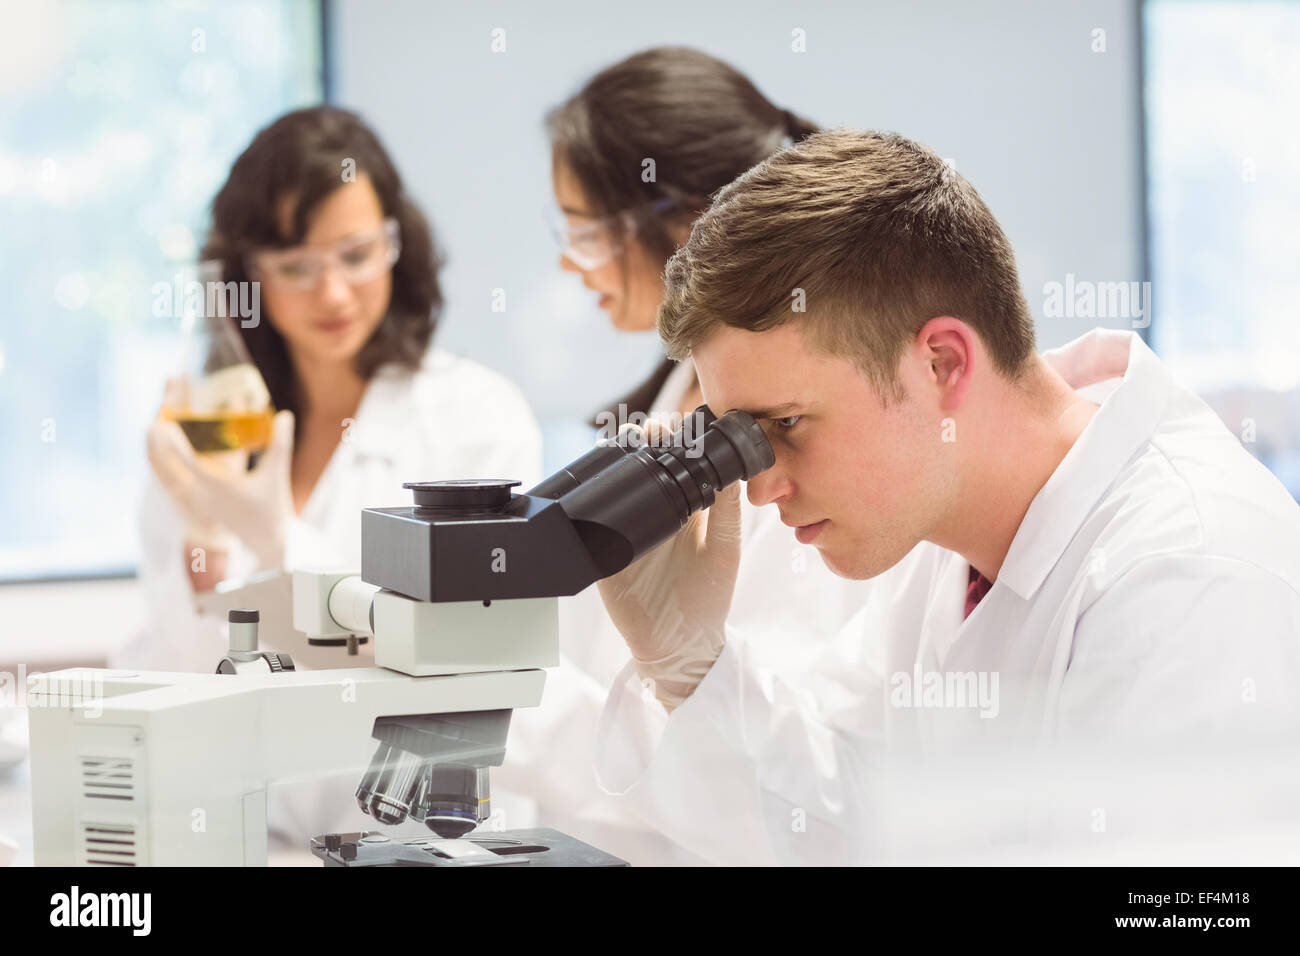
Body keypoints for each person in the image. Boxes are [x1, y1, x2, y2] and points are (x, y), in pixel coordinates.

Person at [589, 129, 1300, 864]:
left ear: (943, 362)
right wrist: (687, 663)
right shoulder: (941, 537)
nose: (764, 486)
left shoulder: (1191, 577)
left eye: (788, 424)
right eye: (742, 434)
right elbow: (842, 811)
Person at [483, 49, 884, 865]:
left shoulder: (791, 453)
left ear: (690, 220)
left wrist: (496, 706)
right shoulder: (670, 406)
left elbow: (776, 787)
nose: (568, 261)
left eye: (586, 229)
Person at [119, 106, 542, 849]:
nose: (335, 294)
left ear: (395, 245)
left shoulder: (475, 418)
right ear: (245, 275)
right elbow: (175, 685)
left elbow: (466, 657)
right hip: (258, 839)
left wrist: (280, 538)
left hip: (425, 843)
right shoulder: (213, 428)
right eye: (296, 267)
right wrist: (206, 543)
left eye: (354, 254)